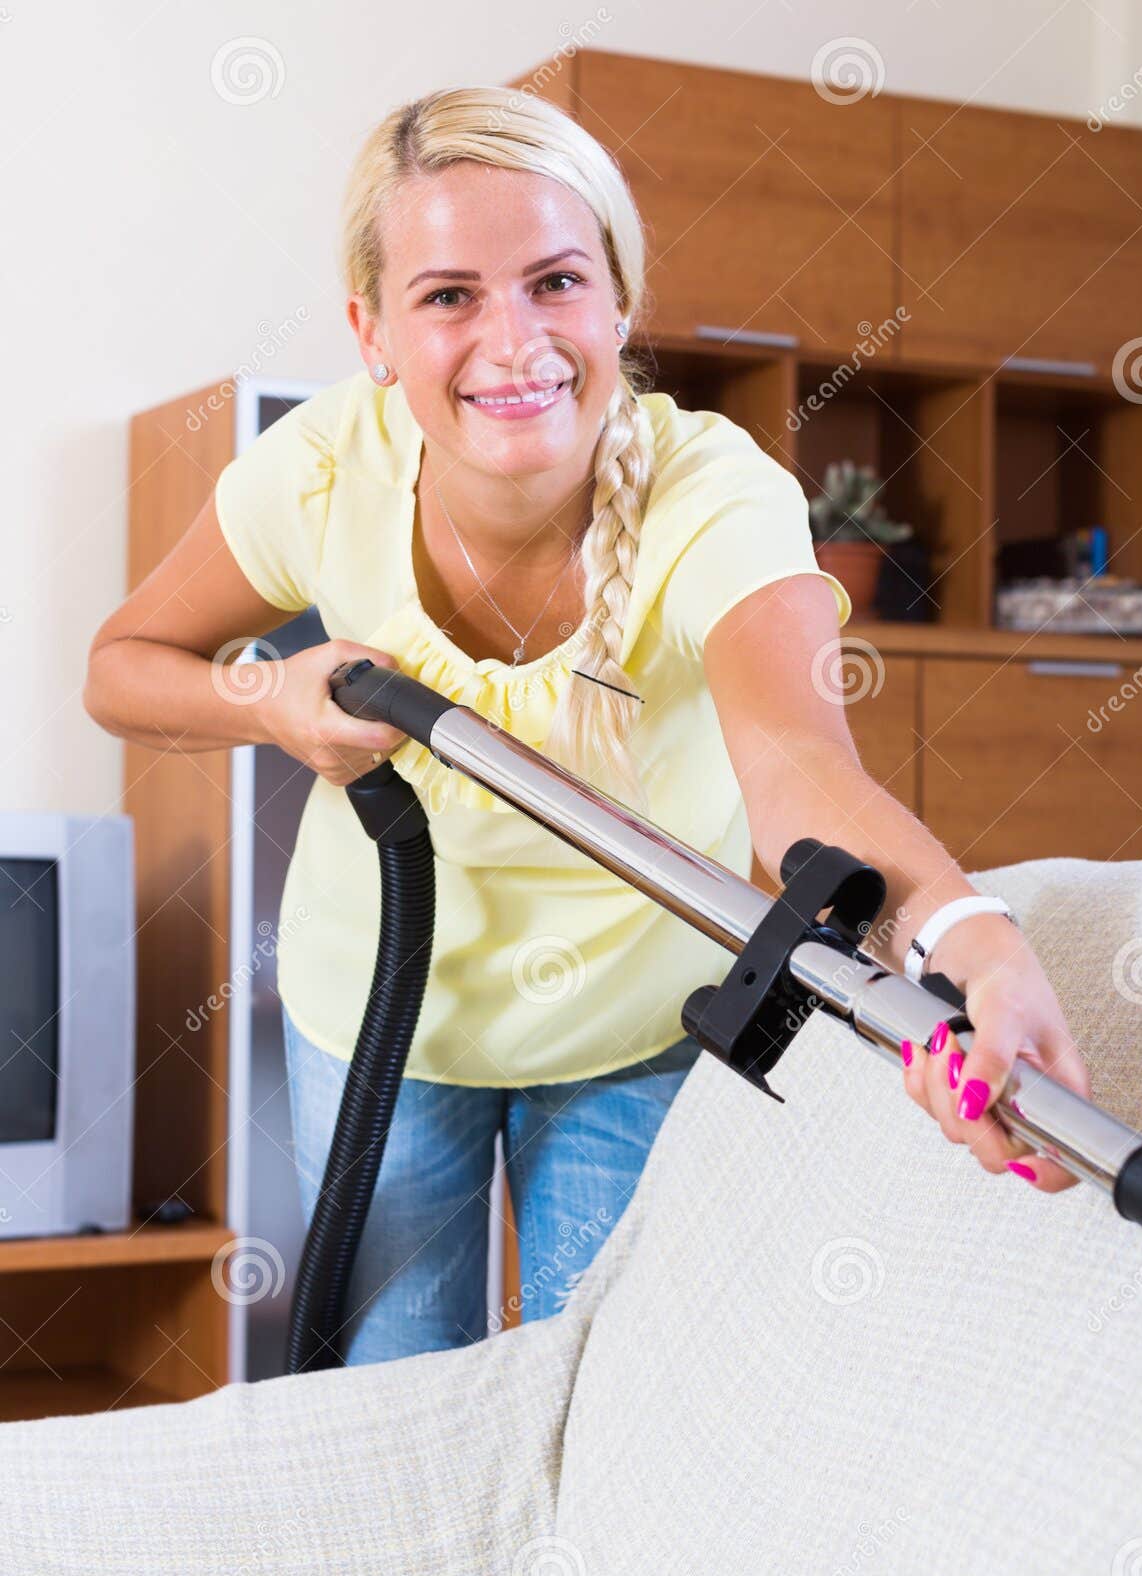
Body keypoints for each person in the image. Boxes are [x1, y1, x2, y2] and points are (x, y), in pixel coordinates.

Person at [84, 86, 1091, 1367]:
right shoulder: (324, 468)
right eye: (449, 295)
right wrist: (271, 701)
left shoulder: (713, 495)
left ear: (618, 301)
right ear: (372, 331)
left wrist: (973, 942)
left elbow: (795, 767)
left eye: (555, 282)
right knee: (404, 1392)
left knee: (612, 1394)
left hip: (638, 1028)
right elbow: (122, 668)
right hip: (387, 1017)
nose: (513, 343)